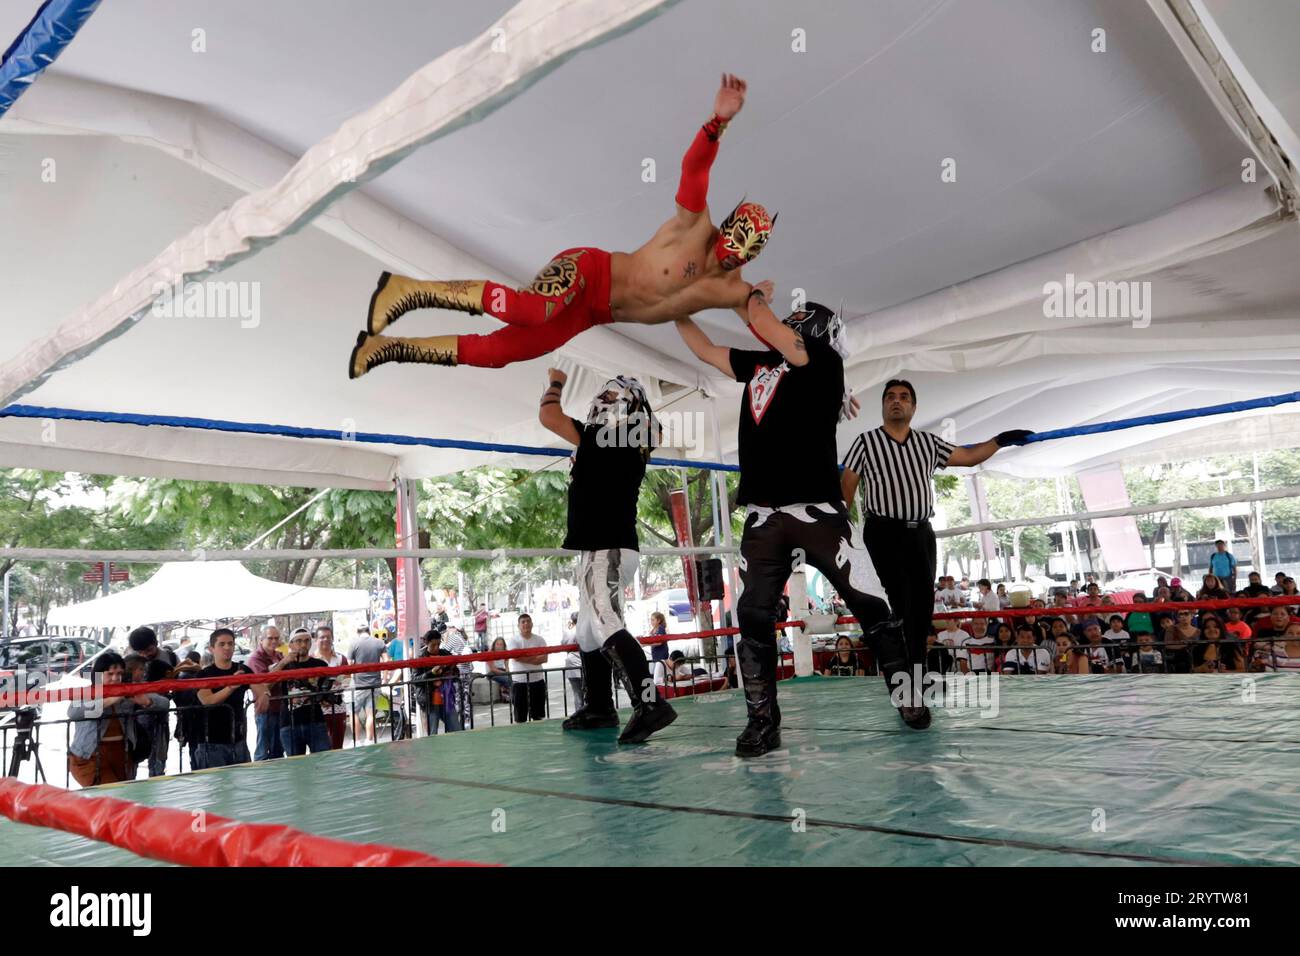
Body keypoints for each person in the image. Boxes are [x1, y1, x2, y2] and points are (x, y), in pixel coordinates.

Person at [350, 75, 774, 378]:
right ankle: (409, 291)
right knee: (529, 310)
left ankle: (388, 349)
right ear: (728, 224)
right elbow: (694, 169)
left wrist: (819, 377)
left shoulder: (735, 293)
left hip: (594, 314)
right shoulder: (695, 226)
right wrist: (717, 122)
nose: (736, 250)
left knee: (501, 353)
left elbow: (777, 338)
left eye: (749, 248)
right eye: (737, 234)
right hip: (590, 270)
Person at [676, 294, 903, 757]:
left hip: (819, 511)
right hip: (764, 516)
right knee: (754, 615)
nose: (787, 324)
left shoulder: (823, 361)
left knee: (870, 601)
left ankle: (907, 694)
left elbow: (759, 317)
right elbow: (704, 350)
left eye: (797, 322)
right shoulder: (763, 362)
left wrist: (745, 294)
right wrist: (673, 308)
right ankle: (762, 721)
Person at [839, 377, 1031, 726]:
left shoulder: (927, 443)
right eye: (891, 397)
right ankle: (906, 693)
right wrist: (844, 537)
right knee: (897, 611)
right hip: (883, 533)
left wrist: (1000, 440)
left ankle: (918, 675)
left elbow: (970, 457)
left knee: (920, 610)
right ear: (883, 405)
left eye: (904, 397)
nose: (897, 402)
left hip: (921, 534)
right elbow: (846, 488)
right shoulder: (865, 442)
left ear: (913, 407)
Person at [539, 368, 676, 743]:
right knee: (586, 629)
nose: (603, 400)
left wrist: (556, 382)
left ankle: (650, 703)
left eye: (612, 396)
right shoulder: (634, 442)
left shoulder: (602, 437)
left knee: (604, 620)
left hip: (607, 547)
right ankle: (599, 705)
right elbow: (655, 431)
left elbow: (548, 416)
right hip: (600, 547)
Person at [67, 652, 169, 788]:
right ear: (98, 674)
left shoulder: (127, 690)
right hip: (89, 756)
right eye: (110, 674)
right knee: (110, 795)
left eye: (119, 673)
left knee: (123, 795)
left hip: (123, 754)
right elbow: (73, 712)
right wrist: (108, 700)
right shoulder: (87, 692)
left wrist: (147, 701)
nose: (115, 678)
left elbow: (164, 703)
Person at [194, 628, 263, 769]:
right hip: (211, 742)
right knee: (217, 788)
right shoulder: (204, 674)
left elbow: (261, 688)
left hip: (238, 739)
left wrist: (264, 696)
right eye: (222, 644)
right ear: (211, 648)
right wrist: (231, 686)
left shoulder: (242, 670)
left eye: (230, 644)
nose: (227, 647)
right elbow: (207, 700)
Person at [271, 628, 333, 756]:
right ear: (291, 644)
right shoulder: (283, 666)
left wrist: (327, 698)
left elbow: (327, 690)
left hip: (315, 721)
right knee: (296, 769)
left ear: (311, 643)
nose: (303, 644)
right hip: (289, 723)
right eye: (298, 641)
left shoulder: (320, 664)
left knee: (325, 761)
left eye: (306, 641)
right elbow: (266, 684)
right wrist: (283, 662)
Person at [247, 625, 285, 761]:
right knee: (263, 750)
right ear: (261, 640)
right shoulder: (255, 659)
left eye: (276, 638)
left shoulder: (279, 655)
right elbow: (263, 686)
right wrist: (282, 665)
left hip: (280, 707)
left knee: (278, 750)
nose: (274, 641)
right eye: (270, 638)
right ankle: (261, 780)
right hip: (265, 709)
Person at [348, 624, 388, 744]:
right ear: (369, 632)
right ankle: (369, 740)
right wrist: (385, 677)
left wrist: (352, 678)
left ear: (358, 633)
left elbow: (350, 664)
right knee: (370, 713)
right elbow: (386, 660)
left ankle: (357, 741)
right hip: (375, 683)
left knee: (353, 712)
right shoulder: (379, 643)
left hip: (358, 683)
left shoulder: (353, 643)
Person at [508, 614, 549, 724]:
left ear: (532, 624)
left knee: (539, 716)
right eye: (523, 622)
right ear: (519, 625)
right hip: (520, 682)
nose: (526, 624)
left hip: (537, 681)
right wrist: (535, 657)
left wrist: (524, 657)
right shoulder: (513, 640)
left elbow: (544, 658)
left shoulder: (540, 639)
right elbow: (516, 657)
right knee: (520, 718)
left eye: (528, 621)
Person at [314, 626, 350, 750]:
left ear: (332, 639)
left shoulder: (341, 658)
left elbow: (346, 680)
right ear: (316, 640)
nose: (325, 639)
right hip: (317, 709)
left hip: (338, 707)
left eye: (328, 637)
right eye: (322, 637)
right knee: (320, 747)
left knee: (337, 744)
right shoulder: (311, 659)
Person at [485, 636, 513, 703]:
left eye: (501, 644)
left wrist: (508, 672)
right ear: (494, 645)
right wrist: (505, 673)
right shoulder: (490, 653)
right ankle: (513, 696)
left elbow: (506, 666)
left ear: (504, 646)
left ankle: (507, 697)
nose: (499, 646)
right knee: (506, 679)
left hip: (501, 671)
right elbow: (493, 669)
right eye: (497, 644)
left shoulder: (505, 653)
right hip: (491, 673)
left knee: (512, 678)